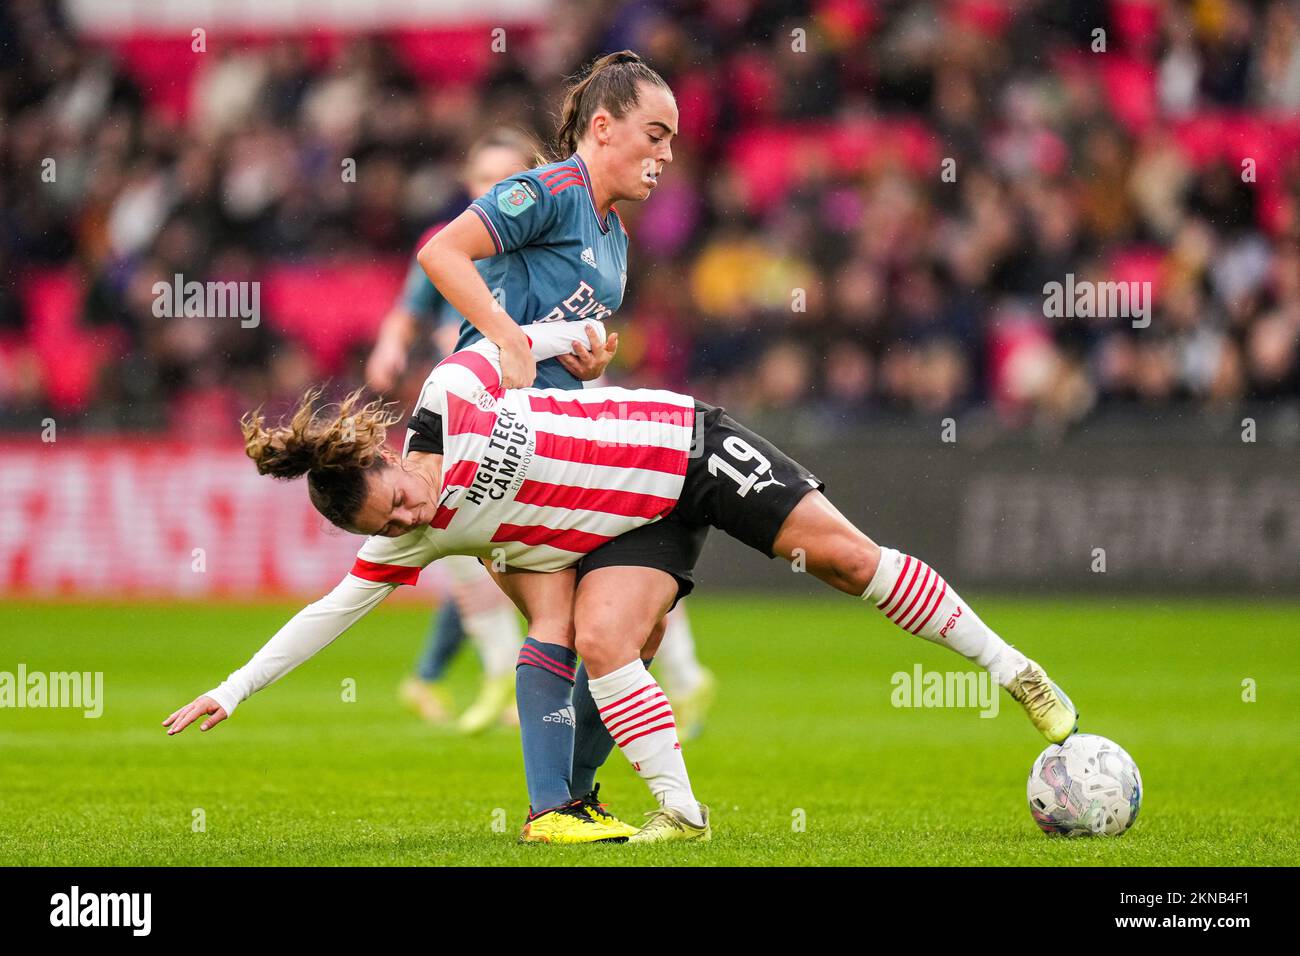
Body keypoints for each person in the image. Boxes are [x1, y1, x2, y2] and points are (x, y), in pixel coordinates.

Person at [164, 319, 1080, 846]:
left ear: (387, 456)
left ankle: (1015, 670)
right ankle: (682, 814)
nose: (409, 520)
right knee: (605, 642)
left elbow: (510, 339)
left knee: (849, 563)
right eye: (390, 527)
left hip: (688, 446)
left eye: (397, 501)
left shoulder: (451, 397)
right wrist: (234, 687)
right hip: (637, 529)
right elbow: (328, 614)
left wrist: (579, 338)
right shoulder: (412, 542)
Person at [366, 128, 541, 734]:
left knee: (504, 548)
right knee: (456, 534)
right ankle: (502, 673)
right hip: (460, 410)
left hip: (528, 414)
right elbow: (409, 309)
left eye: (505, 179)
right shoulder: (447, 245)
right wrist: (391, 347)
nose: (490, 191)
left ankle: (529, 676)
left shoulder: (541, 246)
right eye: (480, 180)